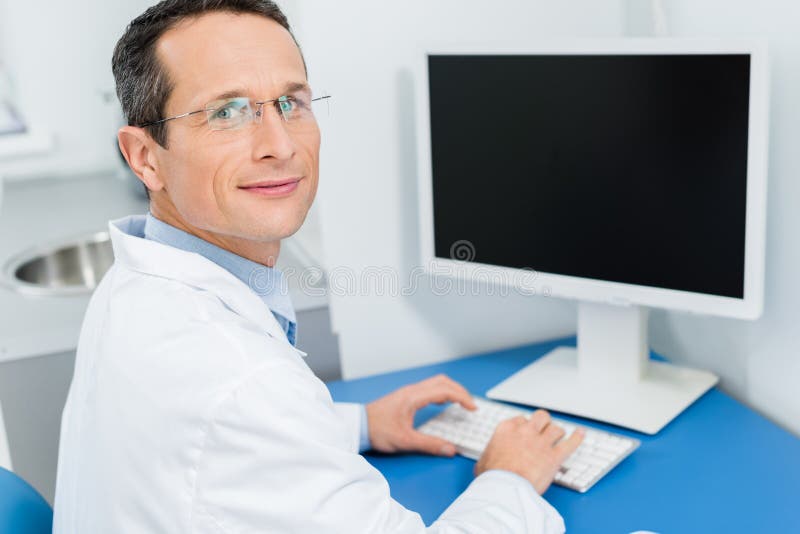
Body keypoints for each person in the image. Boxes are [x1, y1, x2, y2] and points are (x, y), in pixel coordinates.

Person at [53, 1, 584, 532]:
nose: (280, 145)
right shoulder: (240, 382)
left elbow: (225, 437)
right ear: (144, 157)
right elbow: (238, 414)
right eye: (227, 112)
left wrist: (362, 423)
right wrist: (510, 479)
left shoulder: (134, 284)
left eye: (290, 103)